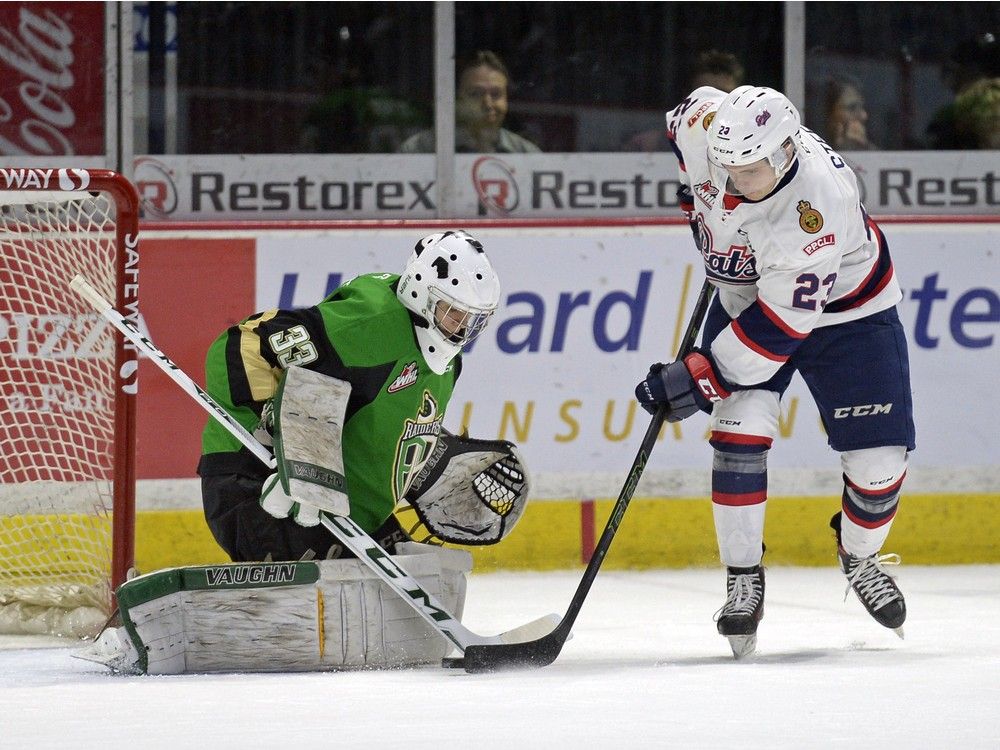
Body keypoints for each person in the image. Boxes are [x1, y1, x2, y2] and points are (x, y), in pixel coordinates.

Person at [636, 85, 915, 659]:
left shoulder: (819, 202)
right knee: (738, 437)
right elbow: (679, 124)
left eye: (751, 169)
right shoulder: (705, 126)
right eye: (727, 166)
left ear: (787, 153)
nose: (736, 180)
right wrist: (695, 199)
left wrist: (697, 375)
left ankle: (858, 554)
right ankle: (743, 577)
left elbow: (777, 332)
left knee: (879, 467)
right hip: (747, 296)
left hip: (848, 314)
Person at [197, 230, 523, 563]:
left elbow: (374, 416)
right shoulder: (369, 324)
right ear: (420, 292)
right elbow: (243, 344)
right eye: (454, 313)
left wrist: (431, 457)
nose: (463, 330)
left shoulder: (448, 365)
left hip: (345, 518)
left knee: (429, 573)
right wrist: (285, 445)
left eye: (474, 320)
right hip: (259, 491)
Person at [398, 50, 541, 153]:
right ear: (456, 101)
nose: (488, 103)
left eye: (496, 94)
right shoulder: (419, 150)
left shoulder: (526, 154)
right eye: (476, 94)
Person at [623, 49, 744, 152]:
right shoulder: (652, 145)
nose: (715, 103)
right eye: (706, 95)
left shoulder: (753, 145)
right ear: (687, 99)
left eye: (723, 94)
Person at [816, 75, 878, 151]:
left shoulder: (867, 147)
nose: (863, 116)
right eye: (852, 108)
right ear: (829, 114)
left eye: (861, 107)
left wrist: (864, 148)